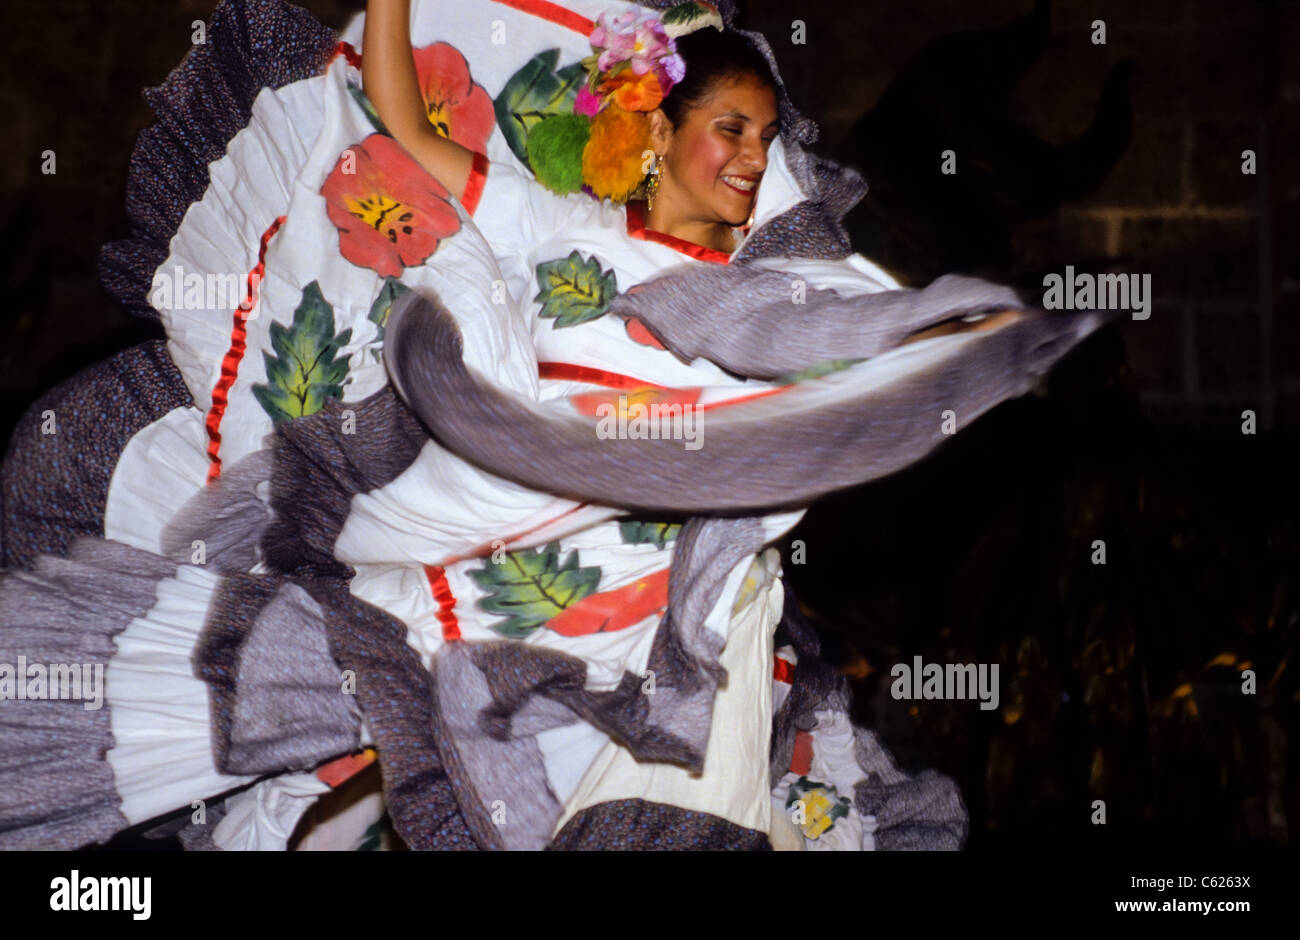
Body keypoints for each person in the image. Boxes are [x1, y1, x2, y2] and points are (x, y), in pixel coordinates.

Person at [0, 0, 1108, 851]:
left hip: (643, 608)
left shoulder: (762, 293)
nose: (747, 159)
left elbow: (861, 323)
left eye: (763, 140)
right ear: (662, 131)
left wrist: (981, 348)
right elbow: (399, 111)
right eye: (727, 129)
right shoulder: (557, 222)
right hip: (500, 549)